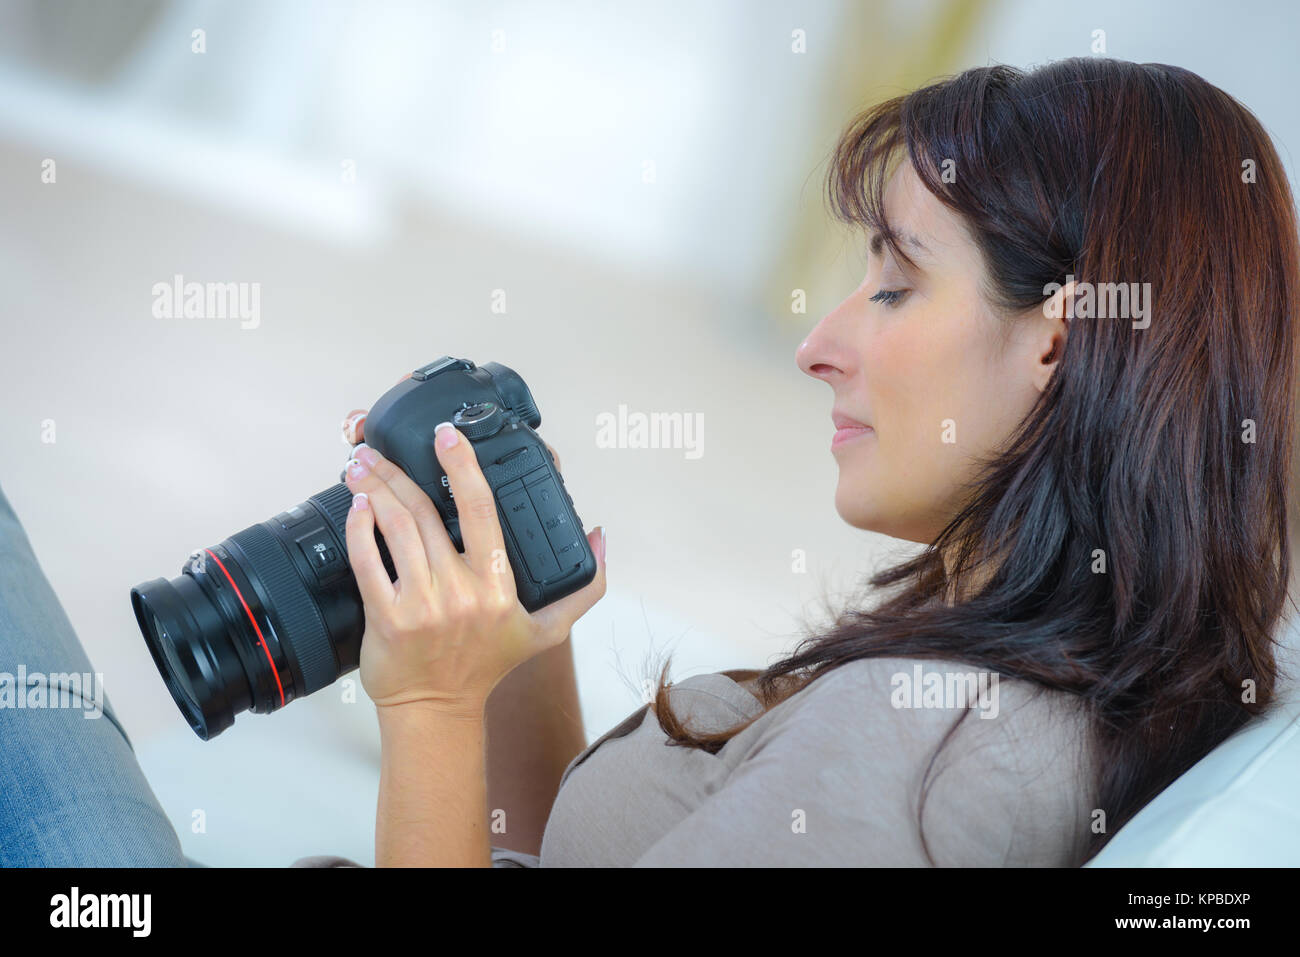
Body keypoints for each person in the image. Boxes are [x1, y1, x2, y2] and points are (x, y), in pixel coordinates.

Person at [3, 56, 1297, 867]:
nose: (820, 344)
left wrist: (431, 709)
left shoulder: (932, 763)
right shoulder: (1043, 677)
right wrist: (520, 644)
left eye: (895, 288)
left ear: (1059, 345)